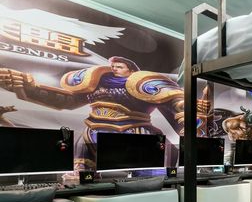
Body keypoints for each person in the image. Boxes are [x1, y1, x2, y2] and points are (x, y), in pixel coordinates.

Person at [0, 56, 190, 170]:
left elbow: (177, 103)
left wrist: (185, 125)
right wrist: (30, 88)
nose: (114, 68)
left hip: (135, 133)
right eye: (113, 65)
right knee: (83, 175)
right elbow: (67, 101)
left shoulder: (145, 83)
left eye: (120, 66)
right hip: (93, 132)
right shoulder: (97, 83)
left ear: (131, 69)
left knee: (150, 178)